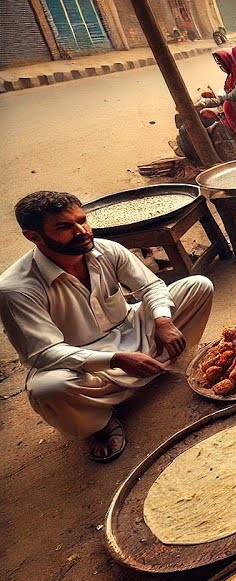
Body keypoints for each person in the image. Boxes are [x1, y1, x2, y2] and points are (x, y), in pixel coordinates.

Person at [0, 192, 214, 462]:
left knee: (196, 286)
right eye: (65, 227)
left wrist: (162, 321)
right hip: (81, 361)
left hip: (129, 329)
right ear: (34, 236)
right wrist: (116, 359)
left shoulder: (105, 249)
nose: (82, 231)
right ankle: (99, 424)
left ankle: (151, 364)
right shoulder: (16, 289)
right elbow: (43, 353)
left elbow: (149, 286)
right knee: (49, 388)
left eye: (82, 220)